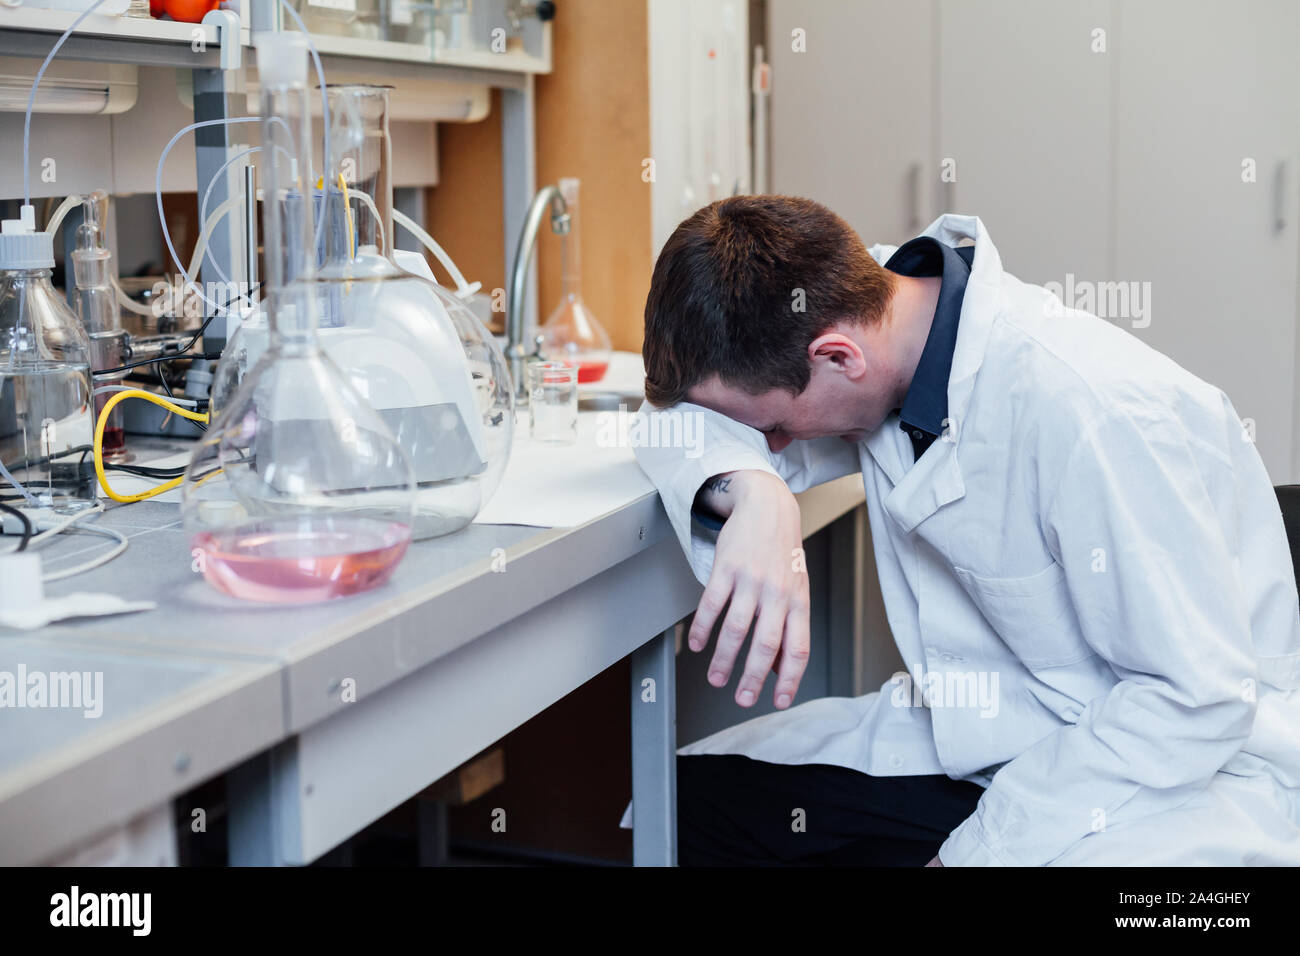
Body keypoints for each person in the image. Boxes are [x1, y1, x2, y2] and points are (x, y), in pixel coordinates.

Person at [631, 196, 1300, 866]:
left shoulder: (1092, 409)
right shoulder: (880, 307)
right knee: (677, 809)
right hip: (991, 735)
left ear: (838, 359)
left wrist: (977, 853)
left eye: (772, 429)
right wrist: (755, 493)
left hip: (1161, 775)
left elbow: (1196, 700)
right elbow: (670, 419)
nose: (774, 444)